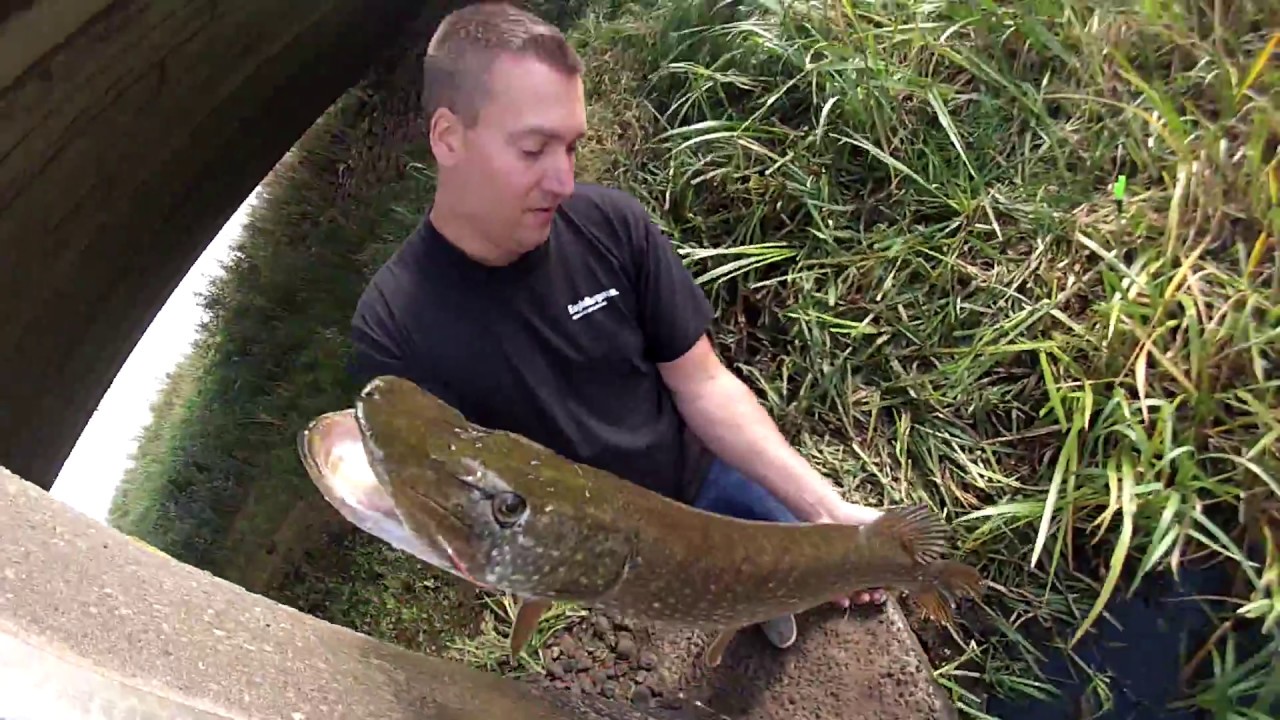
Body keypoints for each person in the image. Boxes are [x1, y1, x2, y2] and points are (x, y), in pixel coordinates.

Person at [348, 1, 887, 653]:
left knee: (842, 601)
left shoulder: (610, 225)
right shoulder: (394, 329)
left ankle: (763, 607)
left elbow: (704, 386)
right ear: (448, 138)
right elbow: (448, 500)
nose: (563, 179)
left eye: (571, 146)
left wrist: (826, 509)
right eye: (533, 148)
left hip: (702, 481)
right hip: (594, 557)